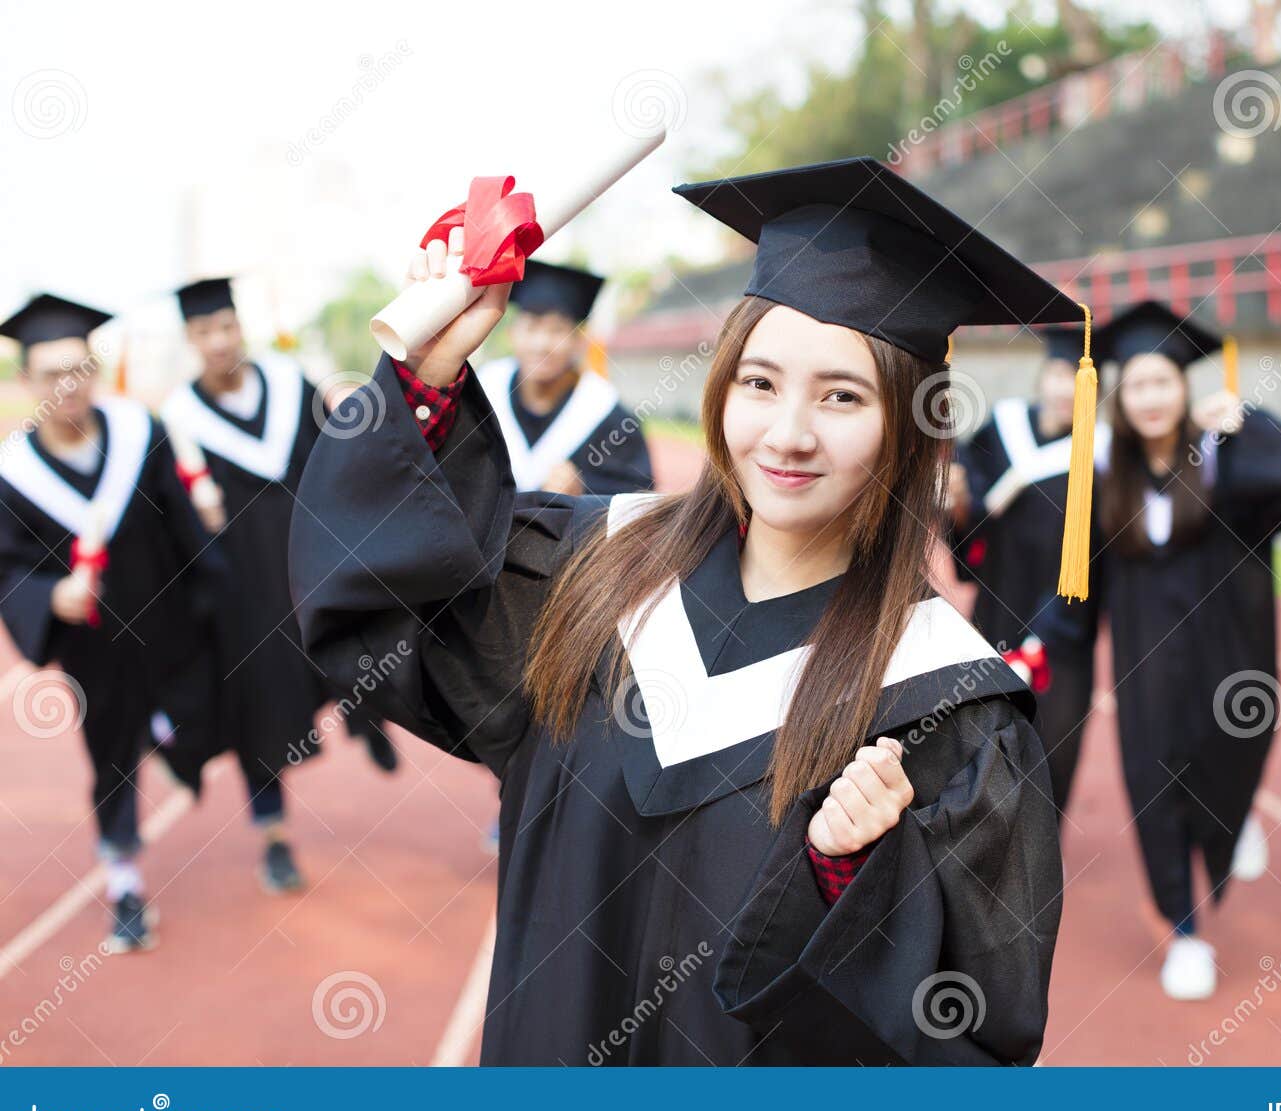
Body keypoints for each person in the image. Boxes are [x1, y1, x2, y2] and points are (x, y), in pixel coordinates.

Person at [289, 157, 1068, 1064]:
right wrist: (425, 381)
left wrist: (854, 883)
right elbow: (380, 615)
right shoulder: (588, 570)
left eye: (843, 396)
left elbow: (978, 1035)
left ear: (910, 425)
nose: (788, 433)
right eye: (760, 382)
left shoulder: (945, 712)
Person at [1044, 300, 1281, 1001]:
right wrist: (1040, 641)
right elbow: (1079, 581)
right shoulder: (1104, 474)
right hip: (1146, 668)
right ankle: (1186, 929)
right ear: (1119, 394)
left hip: (1232, 664)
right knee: (1153, 784)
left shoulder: (1227, 462)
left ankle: (1233, 821)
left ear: (1185, 388)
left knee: (1228, 767)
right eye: (1136, 385)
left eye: (1163, 382)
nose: (1149, 398)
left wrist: (1251, 423)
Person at [0, 294, 222, 951]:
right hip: (96, 648)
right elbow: (6, 569)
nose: (68, 386)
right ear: (25, 383)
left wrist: (218, 562)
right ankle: (124, 882)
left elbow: (185, 527)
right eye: (50, 374)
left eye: (79, 368)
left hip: (171, 627)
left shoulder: (139, 434)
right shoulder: (13, 475)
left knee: (198, 718)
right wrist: (47, 597)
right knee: (112, 759)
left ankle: (178, 744)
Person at [162, 276, 398, 893]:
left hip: (311, 562)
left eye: (225, 327)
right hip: (244, 589)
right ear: (190, 339)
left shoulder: (291, 385)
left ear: (240, 327)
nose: (217, 341)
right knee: (258, 709)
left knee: (360, 644)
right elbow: (170, 510)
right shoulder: (179, 419)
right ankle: (274, 837)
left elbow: (342, 458)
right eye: (203, 331)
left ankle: (371, 719)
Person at [947, 326, 1106, 813]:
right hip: (997, 614)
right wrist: (957, 505)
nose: (1064, 389)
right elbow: (971, 527)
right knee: (978, 753)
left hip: (1064, 635)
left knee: (1051, 760)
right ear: (1043, 376)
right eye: (1058, 374)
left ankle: (1037, 866)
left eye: (1077, 382)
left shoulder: (1105, 455)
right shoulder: (1002, 428)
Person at [475, 260, 654, 497]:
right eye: (531, 327)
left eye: (557, 330)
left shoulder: (612, 419)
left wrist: (582, 496)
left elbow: (636, 506)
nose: (542, 344)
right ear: (512, 334)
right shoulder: (481, 395)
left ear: (579, 341)